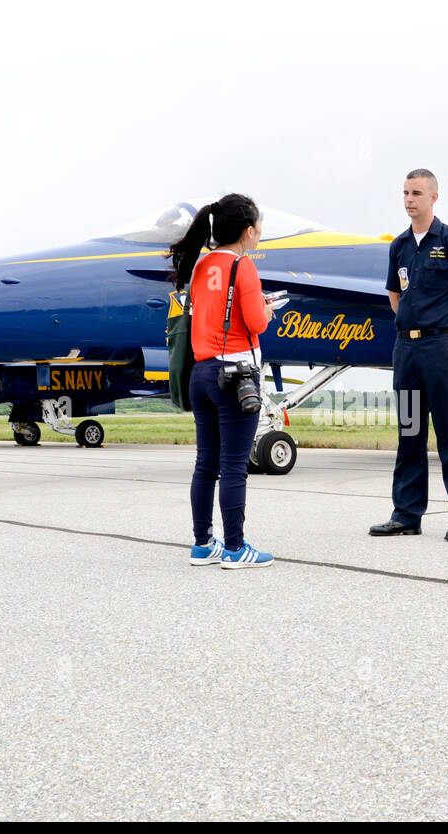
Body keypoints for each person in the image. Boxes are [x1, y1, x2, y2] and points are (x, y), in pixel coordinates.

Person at [370, 169, 448, 542]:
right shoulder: (399, 246)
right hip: (407, 351)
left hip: (442, 349)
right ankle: (406, 515)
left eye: (417, 193)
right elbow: (394, 294)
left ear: (434, 197)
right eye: (405, 192)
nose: (409, 199)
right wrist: (411, 327)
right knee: (410, 432)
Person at [169, 194, 276, 568]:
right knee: (234, 464)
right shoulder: (242, 266)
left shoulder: (201, 266)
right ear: (248, 231)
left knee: (206, 464)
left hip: (201, 372)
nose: (260, 233)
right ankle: (235, 547)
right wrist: (265, 307)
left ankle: (203, 544)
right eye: (259, 226)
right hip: (235, 374)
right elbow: (257, 323)